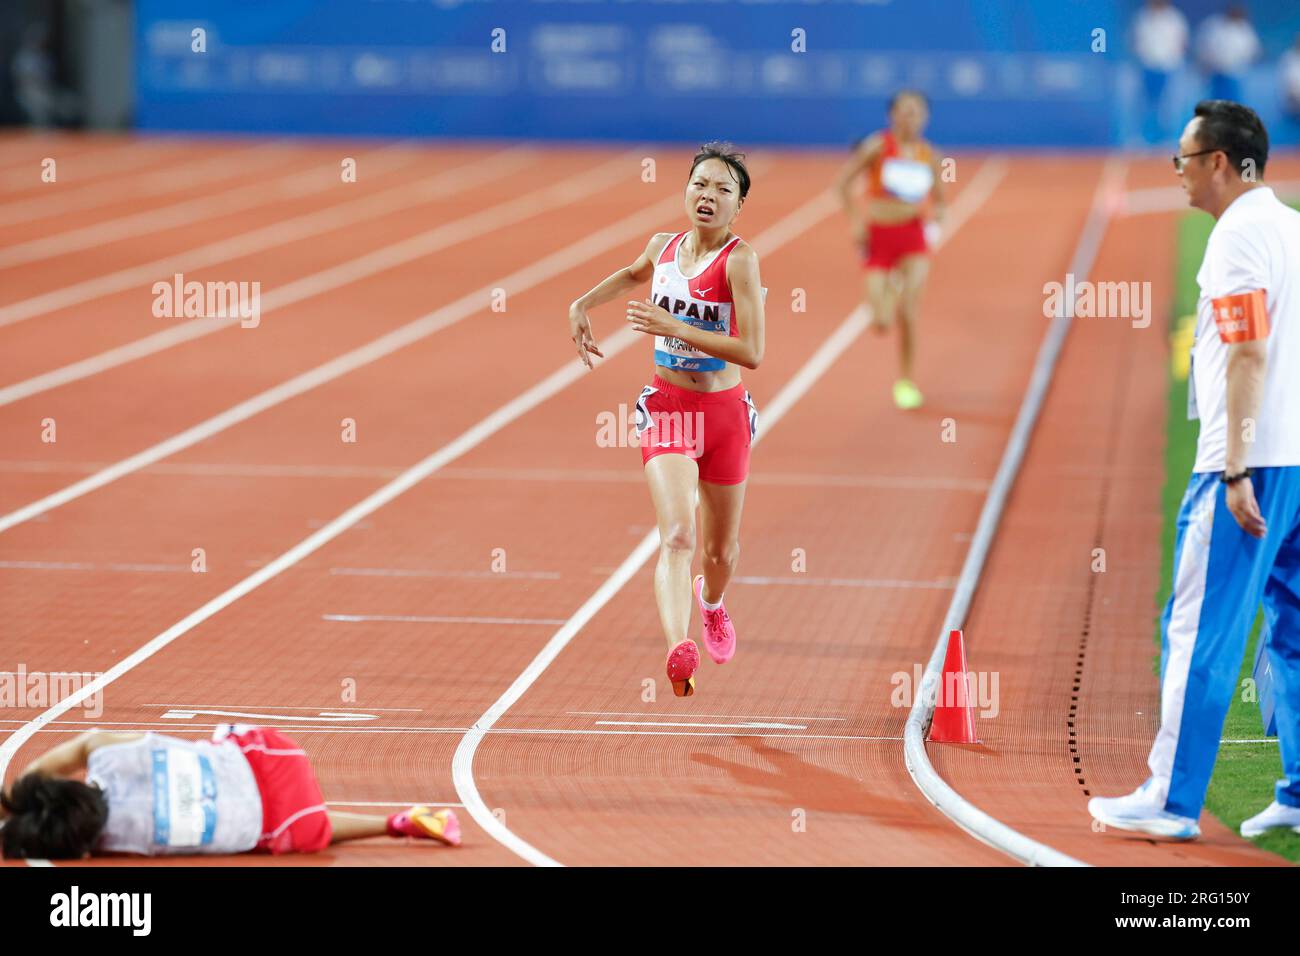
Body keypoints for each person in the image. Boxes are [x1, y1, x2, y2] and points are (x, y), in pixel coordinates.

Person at [1089, 101, 1300, 841]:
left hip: (1248, 464)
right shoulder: (1292, 227)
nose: (1174, 171)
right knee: (1294, 629)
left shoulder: (1237, 238)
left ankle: (1171, 800)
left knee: (1199, 629)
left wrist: (1236, 466)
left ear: (1219, 162)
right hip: (1296, 461)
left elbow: (1247, 352)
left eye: (1183, 158)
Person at [568, 141, 766, 697]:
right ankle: (678, 647)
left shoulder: (740, 261)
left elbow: (751, 350)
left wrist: (673, 326)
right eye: (700, 183)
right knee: (678, 534)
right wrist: (581, 303)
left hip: (724, 415)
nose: (708, 195)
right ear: (686, 190)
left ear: (738, 206)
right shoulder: (663, 246)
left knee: (720, 552)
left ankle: (713, 603)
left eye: (723, 189)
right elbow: (634, 274)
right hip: (669, 409)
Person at [0, 725, 460, 859]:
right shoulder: (107, 756)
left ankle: (395, 823)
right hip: (275, 755)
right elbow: (84, 741)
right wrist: (25, 781)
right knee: (218, 753)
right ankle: (398, 822)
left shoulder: (113, 842)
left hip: (287, 821)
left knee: (277, 829)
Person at [834, 90, 946, 410]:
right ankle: (888, 292)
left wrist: (937, 216)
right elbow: (842, 184)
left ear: (925, 117)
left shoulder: (930, 156)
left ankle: (907, 382)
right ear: (892, 115)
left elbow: (940, 201)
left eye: (917, 112)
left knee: (909, 312)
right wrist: (855, 222)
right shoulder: (878, 147)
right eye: (905, 111)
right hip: (878, 238)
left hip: (913, 239)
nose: (911, 118)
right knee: (882, 321)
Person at [1131, 0, 1190, 144]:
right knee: (1146, 105)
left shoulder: (1175, 19)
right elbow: (1135, 40)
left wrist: (1172, 58)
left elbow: (1183, 42)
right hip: (1147, 67)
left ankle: (1167, 139)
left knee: (1167, 108)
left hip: (1168, 68)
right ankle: (1144, 139)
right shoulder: (1142, 17)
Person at [1195, 5, 1261, 104]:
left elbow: (1254, 52)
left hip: (1236, 74)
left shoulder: (1245, 30)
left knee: (1234, 103)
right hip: (1217, 72)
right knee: (1216, 102)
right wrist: (1205, 63)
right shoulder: (1215, 26)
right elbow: (1204, 46)